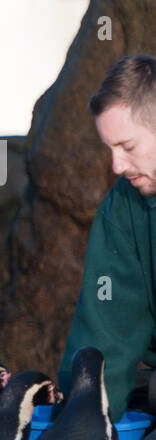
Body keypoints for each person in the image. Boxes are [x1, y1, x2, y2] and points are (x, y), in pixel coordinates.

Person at [60, 53, 156, 419]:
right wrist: (79, 426)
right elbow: (105, 333)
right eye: (110, 149)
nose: (116, 166)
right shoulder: (122, 207)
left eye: (128, 147)